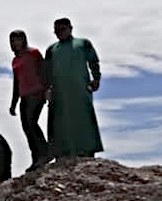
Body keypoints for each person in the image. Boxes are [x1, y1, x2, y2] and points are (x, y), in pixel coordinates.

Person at [43, 17, 104, 159]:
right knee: (59, 122)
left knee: (84, 120)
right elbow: (46, 71)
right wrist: (47, 89)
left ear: (70, 28)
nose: (60, 32)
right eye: (57, 30)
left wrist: (96, 79)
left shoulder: (83, 43)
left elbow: (93, 61)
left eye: (63, 29)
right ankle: (61, 154)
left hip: (80, 90)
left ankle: (87, 152)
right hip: (59, 92)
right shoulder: (51, 49)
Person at [8, 30, 50, 172]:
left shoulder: (34, 53)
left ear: (24, 40)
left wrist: (47, 90)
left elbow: (44, 71)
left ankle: (45, 154)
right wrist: (13, 103)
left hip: (37, 94)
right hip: (24, 97)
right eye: (12, 41)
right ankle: (36, 158)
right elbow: (16, 82)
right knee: (27, 128)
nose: (14, 43)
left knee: (31, 123)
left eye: (17, 40)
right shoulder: (15, 61)